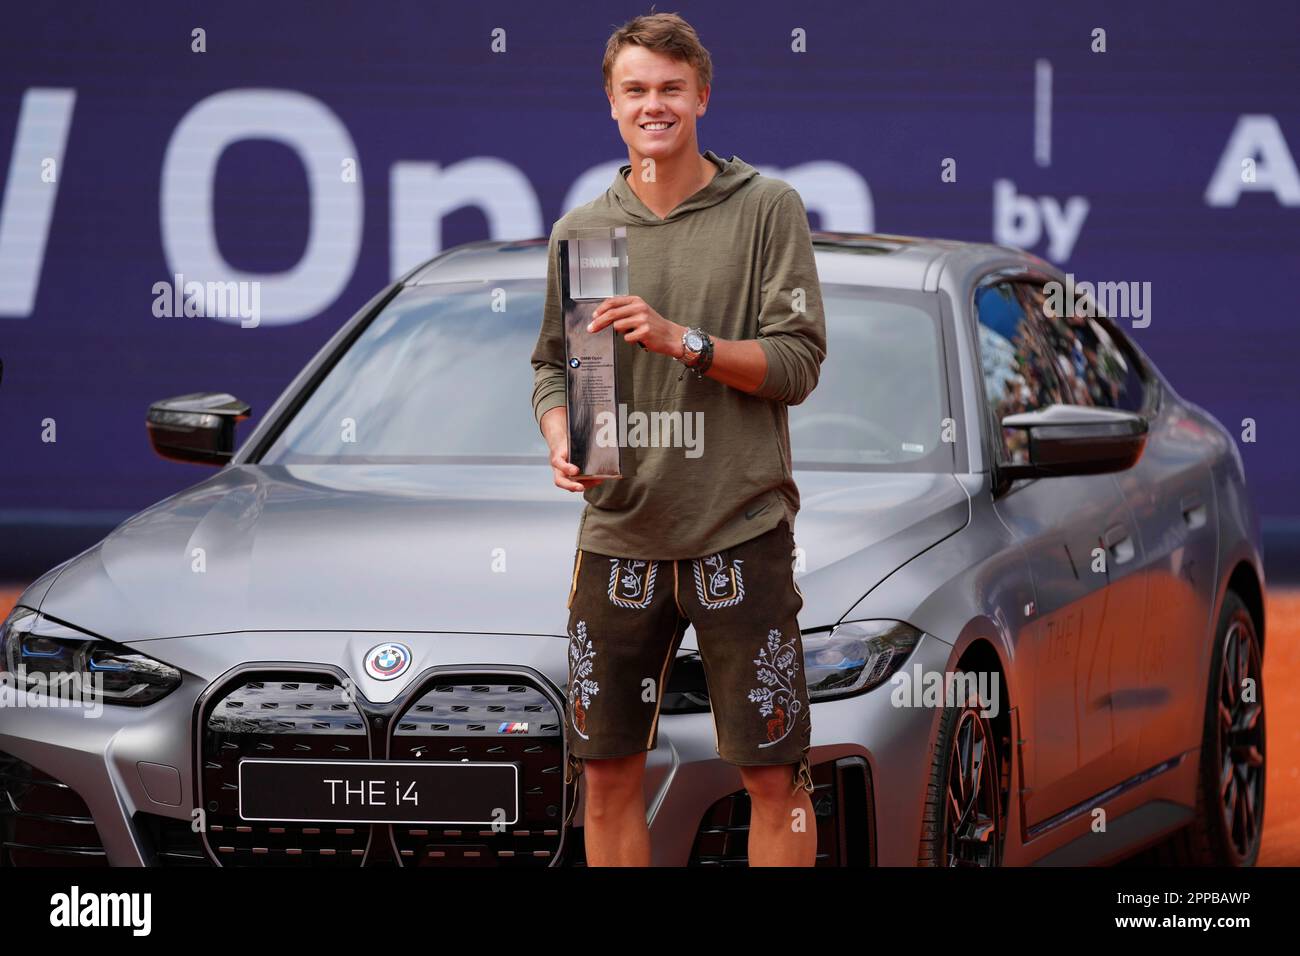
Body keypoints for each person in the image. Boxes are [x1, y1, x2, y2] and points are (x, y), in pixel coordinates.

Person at [529, 12, 827, 866]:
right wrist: (561, 435)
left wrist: (682, 340)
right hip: (618, 534)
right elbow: (556, 368)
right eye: (636, 90)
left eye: (669, 88)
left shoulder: (766, 209)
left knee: (772, 776)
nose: (653, 104)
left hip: (741, 529)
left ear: (702, 94)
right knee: (608, 775)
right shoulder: (583, 233)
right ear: (612, 106)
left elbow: (798, 363)